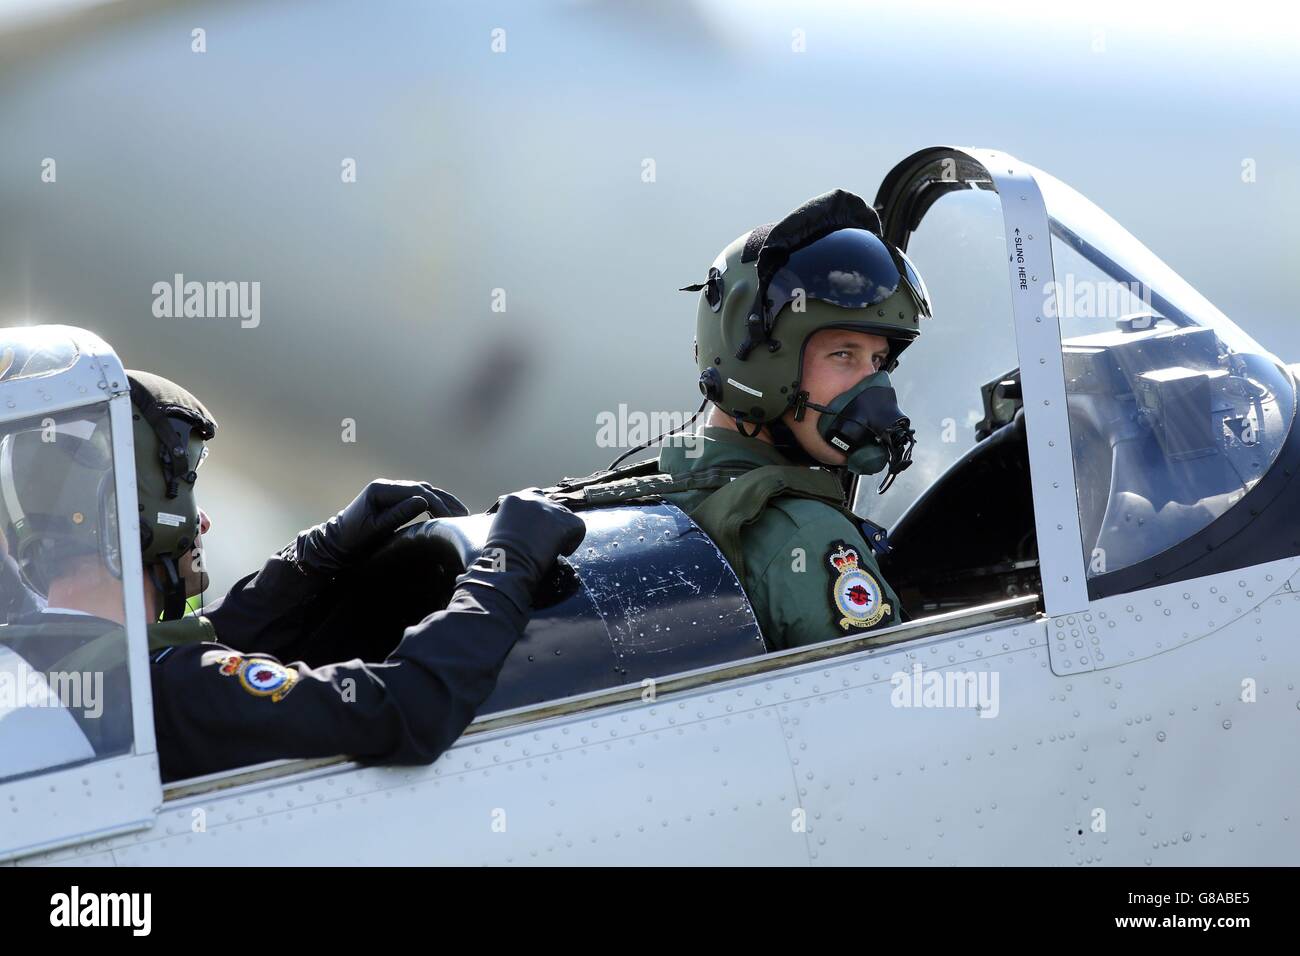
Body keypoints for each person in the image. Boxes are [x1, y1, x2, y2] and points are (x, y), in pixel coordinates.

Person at [0, 370, 585, 781]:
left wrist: (312, 556)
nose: (202, 519)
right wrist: (507, 563)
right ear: (140, 510)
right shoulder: (172, 693)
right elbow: (407, 708)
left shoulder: (32, 661)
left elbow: (176, 648)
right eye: (186, 488)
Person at [550, 189, 929, 651]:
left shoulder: (669, 489)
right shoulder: (807, 535)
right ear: (758, 360)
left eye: (879, 361)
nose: (874, 387)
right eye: (843, 354)